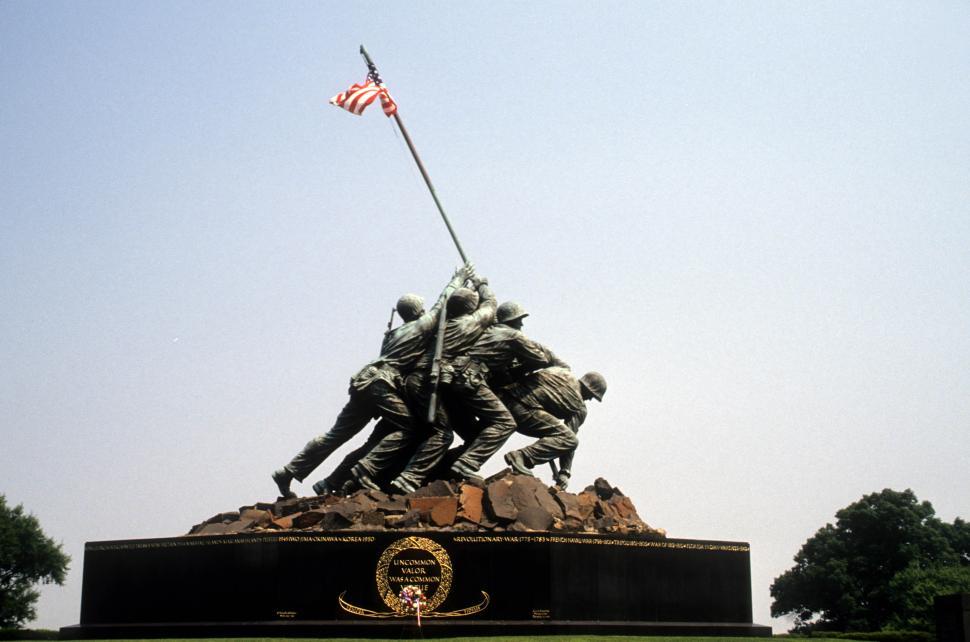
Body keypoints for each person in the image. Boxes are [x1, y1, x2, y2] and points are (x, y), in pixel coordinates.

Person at [271, 265, 471, 498]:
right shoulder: (420, 327)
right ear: (418, 311)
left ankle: (289, 470)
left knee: (336, 435)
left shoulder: (392, 335)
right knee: (408, 427)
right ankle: (366, 469)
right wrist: (458, 279)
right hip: (381, 384)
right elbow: (442, 303)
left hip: (363, 381)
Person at [352, 274, 496, 494]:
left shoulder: (438, 327)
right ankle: (407, 478)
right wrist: (482, 284)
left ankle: (358, 476)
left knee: (420, 432)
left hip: (410, 382)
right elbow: (490, 305)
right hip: (425, 383)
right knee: (441, 433)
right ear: (470, 308)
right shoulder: (469, 324)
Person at [444, 300, 569, 480]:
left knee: (478, 433)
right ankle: (465, 464)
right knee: (505, 423)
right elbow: (540, 359)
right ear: (513, 320)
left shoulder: (490, 331)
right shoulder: (514, 336)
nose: (522, 324)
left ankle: (445, 467)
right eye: (520, 320)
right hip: (469, 378)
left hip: (457, 375)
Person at [500, 367, 607, 490]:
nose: (590, 399)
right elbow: (568, 439)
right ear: (589, 389)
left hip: (502, 398)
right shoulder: (579, 406)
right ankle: (522, 456)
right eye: (592, 395)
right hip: (522, 410)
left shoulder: (560, 371)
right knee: (570, 440)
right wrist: (565, 472)